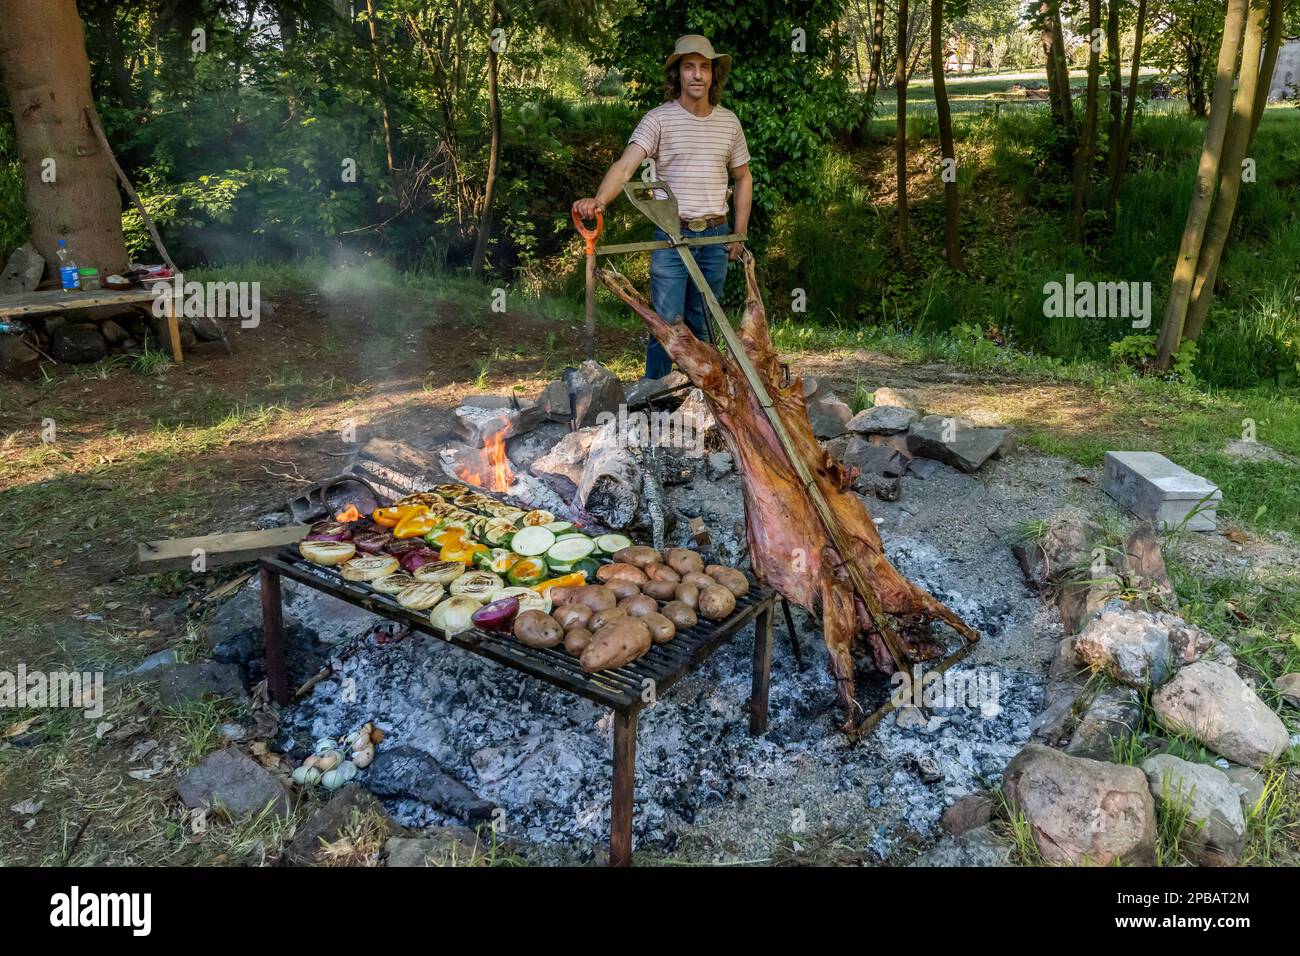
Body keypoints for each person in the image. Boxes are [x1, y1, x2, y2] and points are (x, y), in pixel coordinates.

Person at [572, 34, 752, 381]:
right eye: (689, 67)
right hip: (671, 235)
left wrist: (738, 234)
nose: (697, 75)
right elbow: (626, 167)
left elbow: (744, 178)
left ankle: (699, 398)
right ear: (678, 75)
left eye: (704, 67)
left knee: (703, 323)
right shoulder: (658, 120)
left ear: (713, 75)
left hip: (714, 237)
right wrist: (599, 201)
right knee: (666, 324)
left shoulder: (729, 123)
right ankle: (654, 398)